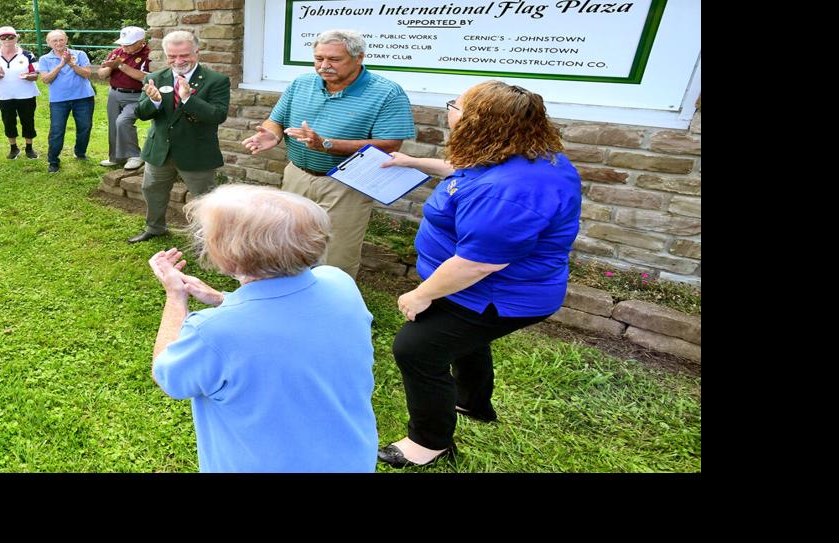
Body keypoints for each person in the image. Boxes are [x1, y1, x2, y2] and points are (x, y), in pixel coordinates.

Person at [374, 80, 582, 469]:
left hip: (497, 293)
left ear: (480, 121)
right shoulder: (518, 153)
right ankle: (472, 402)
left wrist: (422, 294)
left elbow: (478, 264)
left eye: (456, 105)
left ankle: (429, 443)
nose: (449, 109)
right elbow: (464, 171)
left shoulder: (511, 191)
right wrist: (414, 163)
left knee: (417, 349)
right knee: (463, 340)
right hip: (478, 288)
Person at [149, 185, 377, 473]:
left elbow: (166, 375)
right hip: (351, 461)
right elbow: (284, 320)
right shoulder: (339, 283)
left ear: (228, 257)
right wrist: (223, 299)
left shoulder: (213, 332)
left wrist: (175, 297)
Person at [241, 29, 415, 279]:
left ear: (359, 58)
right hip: (297, 174)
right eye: (318, 58)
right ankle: (290, 294)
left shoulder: (386, 92)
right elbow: (275, 121)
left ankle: (334, 306)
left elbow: (390, 144)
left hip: (346, 182)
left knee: (337, 253)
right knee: (288, 240)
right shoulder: (301, 83)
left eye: (334, 59)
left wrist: (328, 145)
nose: (324, 66)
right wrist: (272, 134)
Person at [128, 31, 228, 244]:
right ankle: (155, 228)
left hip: (196, 152)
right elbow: (142, 113)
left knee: (204, 199)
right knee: (152, 190)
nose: (178, 61)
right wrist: (153, 101)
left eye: (184, 55)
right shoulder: (154, 78)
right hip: (160, 150)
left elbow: (217, 116)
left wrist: (187, 99)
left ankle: (206, 239)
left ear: (197, 52)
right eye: (172, 56)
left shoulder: (215, 80)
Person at [37, 29, 97, 172]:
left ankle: (80, 153)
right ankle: (53, 161)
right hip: (59, 100)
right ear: (49, 43)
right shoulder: (45, 59)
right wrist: (61, 64)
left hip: (83, 97)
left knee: (84, 127)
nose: (58, 43)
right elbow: (45, 79)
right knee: (57, 131)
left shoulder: (79, 54)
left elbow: (87, 74)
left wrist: (71, 63)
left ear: (66, 40)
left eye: (61, 40)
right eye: (54, 41)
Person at [98, 25, 150, 169]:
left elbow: (142, 77)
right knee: (113, 125)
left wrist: (120, 66)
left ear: (141, 42)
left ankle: (134, 155)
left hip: (137, 95)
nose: (124, 46)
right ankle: (115, 157)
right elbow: (102, 75)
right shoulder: (117, 52)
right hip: (114, 93)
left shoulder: (148, 54)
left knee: (123, 121)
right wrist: (110, 66)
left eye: (128, 44)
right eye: (122, 43)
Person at [0, 26, 39, 160]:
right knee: (8, 121)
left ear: (16, 38)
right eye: (3, 37)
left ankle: (29, 147)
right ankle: (13, 148)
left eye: (10, 37)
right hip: (4, 95)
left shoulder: (27, 54)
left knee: (28, 120)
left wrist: (28, 76)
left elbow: (35, 75)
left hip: (26, 94)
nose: (7, 40)